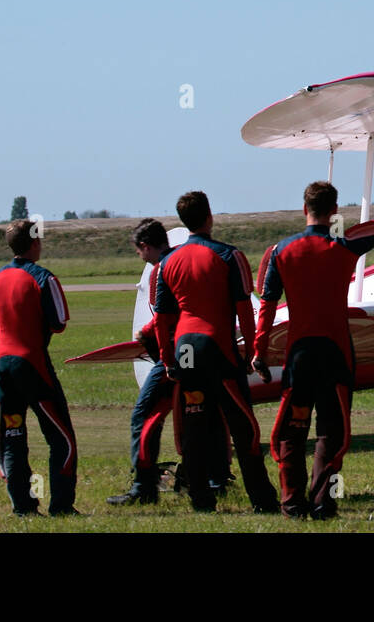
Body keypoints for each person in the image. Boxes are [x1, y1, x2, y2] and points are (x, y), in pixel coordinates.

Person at [252, 135, 374, 519]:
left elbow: (266, 306)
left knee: (292, 429)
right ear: (335, 211)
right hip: (336, 352)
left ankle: (291, 503)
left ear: (304, 208)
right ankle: (323, 503)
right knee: (332, 432)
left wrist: (259, 350)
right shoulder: (345, 244)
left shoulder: (280, 251)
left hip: (299, 355)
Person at [153, 192, 277, 513]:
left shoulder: (166, 262)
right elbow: (245, 312)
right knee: (243, 427)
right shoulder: (228, 256)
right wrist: (252, 351)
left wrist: (168, 360)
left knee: (194, 428)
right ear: (209, 216)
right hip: (216, 347)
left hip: (185, 351)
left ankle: (201, 501)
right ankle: (262, 500)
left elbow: (161, 321)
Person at [107, 219, 230, 505]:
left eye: (139, 252)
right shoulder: (187, 260)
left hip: (174, 355)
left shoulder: (162, 269)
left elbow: (167, 318)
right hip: (206, 348)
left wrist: (148, 338)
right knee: (208, 413)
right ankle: (216, 479)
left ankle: (144, 487)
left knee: (144, 416)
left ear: (145, 247)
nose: (141, 257)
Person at [0, 219, 78, 516]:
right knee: (61, 438)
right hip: (33, 365)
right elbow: (58, 324)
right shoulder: (44, 278)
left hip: (3, 366)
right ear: (34, 244)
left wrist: (5, 329)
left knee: (13, 436)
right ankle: (62, 506)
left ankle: (23, 507)